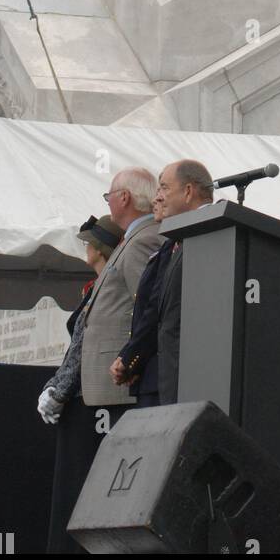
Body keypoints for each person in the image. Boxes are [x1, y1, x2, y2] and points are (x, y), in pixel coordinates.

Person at [39, 213, 124, 554]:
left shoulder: (105, 289)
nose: (85, 249)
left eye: (89, 243)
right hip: (85, 397)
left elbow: (83, 347)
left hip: (91, 404)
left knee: (82, 490)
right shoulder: (96, 287)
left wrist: (58, 391)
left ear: (99, 249)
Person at [81, 168, 162, 412]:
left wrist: (131, 359)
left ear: (124, 197)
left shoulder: (143, 240)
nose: (109, 203)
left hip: (123, 377)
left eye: (109, 197)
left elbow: (148, 305)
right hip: (114, 379)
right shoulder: (133, 238)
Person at [155, 159, 215, 405]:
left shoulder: (212, 233)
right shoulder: (182, 239)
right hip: (174, 377)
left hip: (197, 379)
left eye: (165, 188)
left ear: (188, 191)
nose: (159, 197)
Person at [109, 193, 168, 405]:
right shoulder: (160, 243)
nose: (157, 199)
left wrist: (132, 360)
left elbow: (150, 309)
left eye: (164, 188)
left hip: (155, 372)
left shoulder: (145, 240)